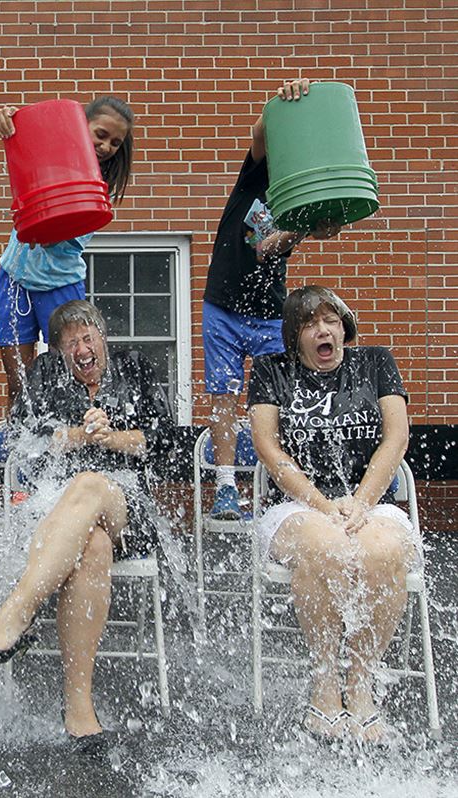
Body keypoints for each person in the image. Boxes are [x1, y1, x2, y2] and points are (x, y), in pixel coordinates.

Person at [0, 300, 172, 753]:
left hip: (126, 507)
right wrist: (74, 435)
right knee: (90, 546)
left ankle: (16, 613)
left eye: (88, 335)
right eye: (70, 341)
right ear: (58, 351)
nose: (82, 346)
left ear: (103, 337)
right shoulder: (44, 378)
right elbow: (20, 438)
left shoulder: (136, 369)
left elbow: (162, 443)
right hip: (58, 513)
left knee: (91, 483)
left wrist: (109, 437)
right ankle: (79, 708)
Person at [248, 285, 416, 744]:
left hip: (372, 500)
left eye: (331, 321)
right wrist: (324, 506)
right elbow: (269, 448)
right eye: (309, 324)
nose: (322, 330)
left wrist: (361, 502)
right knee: (323, 545)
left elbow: (395, 437)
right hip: (297, 506)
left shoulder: (376, 361)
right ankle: (325, 684)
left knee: (382, 551)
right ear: (294, 335)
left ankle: (360, 685)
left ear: (344, 328)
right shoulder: (270, 371)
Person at [203, 77, 342, 519]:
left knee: (279, 400)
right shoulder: (257, 173)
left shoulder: (296, 199)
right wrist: (282, 103)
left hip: (268, 314)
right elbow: (261, 132)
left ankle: (286, 486)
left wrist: (312, 228)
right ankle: (225, 487)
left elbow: (275, 246)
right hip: (222, 305)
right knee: (224, 395)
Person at [0, 97, 135, 412]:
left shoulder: (99, 187)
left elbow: (63, 233)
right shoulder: (51, 158)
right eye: (101, 135)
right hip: (15, 276)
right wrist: (11, 121)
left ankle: (79, 435)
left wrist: (43, 229)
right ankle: (17, 439)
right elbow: (23, 145)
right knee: (18, 377)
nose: (107, 146)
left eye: (115, 142)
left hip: (60, 285)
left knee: (73, 373)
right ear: (80, 127)